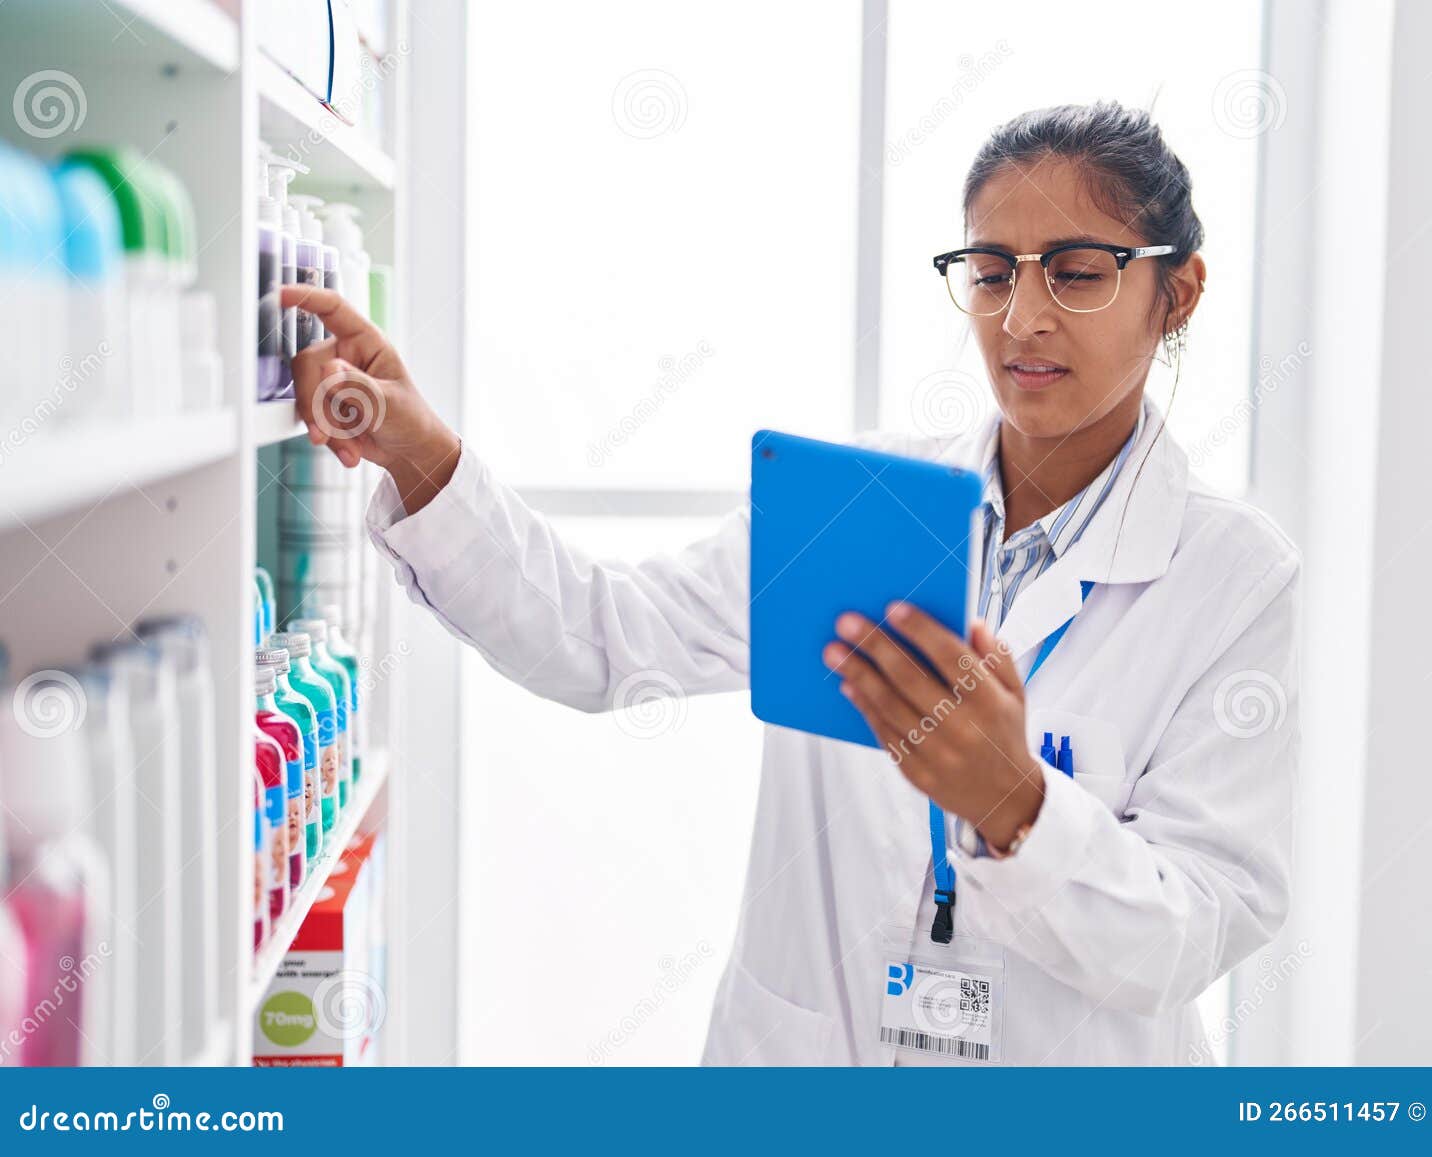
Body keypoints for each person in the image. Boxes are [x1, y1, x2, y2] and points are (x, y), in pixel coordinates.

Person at [281, 100, 1299, 1066]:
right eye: (991, 272)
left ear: (1179, 291)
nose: (1023, 316)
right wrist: (420, 456)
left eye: (1077, 271)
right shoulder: (852, 509)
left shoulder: (1234, 579)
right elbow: (600, 636)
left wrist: (1016, 802)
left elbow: (1190, 926)